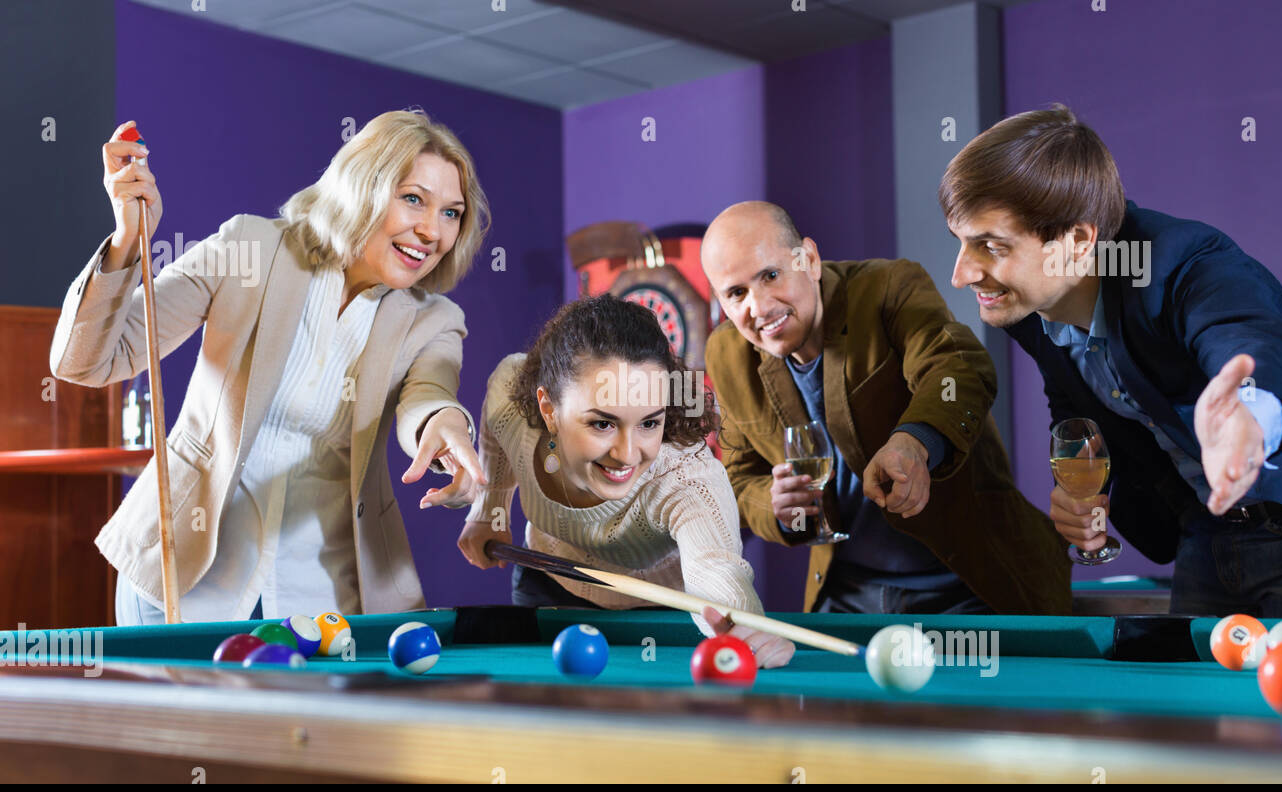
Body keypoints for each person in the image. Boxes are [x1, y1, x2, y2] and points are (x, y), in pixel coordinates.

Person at [50, 110, 490, 625]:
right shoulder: (250, 248)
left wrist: (446, 429)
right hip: (182, 576)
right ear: (360, 186)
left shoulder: (435, 320)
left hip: (326, 597)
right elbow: (86, 361)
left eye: (451, 213)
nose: (432, 230)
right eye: (413, 198)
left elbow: (430, 396)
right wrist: (128, 239)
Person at [941, 104, 1282, 616]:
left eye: (990, 246)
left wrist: (1247, 419)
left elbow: (1255, 347)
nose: (961, 275)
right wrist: (1083, 488)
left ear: (1078, 241)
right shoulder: (1031, 306)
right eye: (960, 242)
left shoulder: (1183, 262)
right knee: (1186, 674)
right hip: (1205, 534)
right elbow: (1074, 402)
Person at [702, 201, 1070, 615]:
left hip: (971, 583)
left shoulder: (888, 287)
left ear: (810, 259)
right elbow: (739, 479)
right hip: (846, 593)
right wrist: (773, 505)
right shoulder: (726, 353)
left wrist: (914, 443)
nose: (760, 307)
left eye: (771, 275)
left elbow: (957, 369)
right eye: (736, 293)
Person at [456, 295, 794, 666]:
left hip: (659, 615)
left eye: (649, 422)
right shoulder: (512, 396)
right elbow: (497, 428)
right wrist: (489, 512)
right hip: (550, 581)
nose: (627, 454)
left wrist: (739, 618)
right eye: (602, 423)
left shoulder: (687, 478)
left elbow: (714, 568)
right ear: (548, 409)